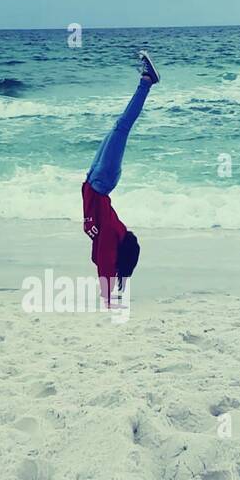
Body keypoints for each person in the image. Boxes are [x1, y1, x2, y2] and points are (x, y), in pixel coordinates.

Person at [82, 51, 160, 308]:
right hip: (101, 182)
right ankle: (146, 80)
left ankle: (148, 80)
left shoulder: (110, 237)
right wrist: (115, 287)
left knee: (120, 126)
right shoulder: (114, 232)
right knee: (121, 127)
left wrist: (108, 297)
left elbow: (106, 263)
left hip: (95, 179)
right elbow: (108, 263)